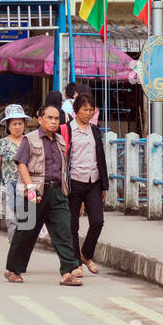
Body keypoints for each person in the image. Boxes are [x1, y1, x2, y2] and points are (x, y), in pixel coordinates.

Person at [3, 102, 82, 285]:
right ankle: (13, 269)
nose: (54, 122)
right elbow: (21, 164)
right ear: (40, 119)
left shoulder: (60, 141)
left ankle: (68, 271)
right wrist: (30, 188)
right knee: (26, 232)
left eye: (56, 119)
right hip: (35, 191)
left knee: (64, 231)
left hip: (57, 192)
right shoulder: (29, 139)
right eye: (49, 118)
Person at [66, 89, 108, 277]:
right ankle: (76, 263)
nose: (88, 113)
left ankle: (86, 254)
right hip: (74, 180)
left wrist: (104, 185)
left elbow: (101, 157)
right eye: (85, 110)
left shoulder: (95, 130)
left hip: (93, 181)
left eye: (91, 110)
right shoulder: (67, 130)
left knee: (97, 221)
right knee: (72, 224)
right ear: (76, 111)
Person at [0, 104, 32, 243]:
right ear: (8, 126)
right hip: (9, 189)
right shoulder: (2, 144)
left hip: (28, 189)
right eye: (14, 123)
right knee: (12, 222)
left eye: (20, 123)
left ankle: (22, 253)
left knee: (28, 223)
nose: (17, 126)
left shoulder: (30, 142)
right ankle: (15, 254)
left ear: (24, 124)